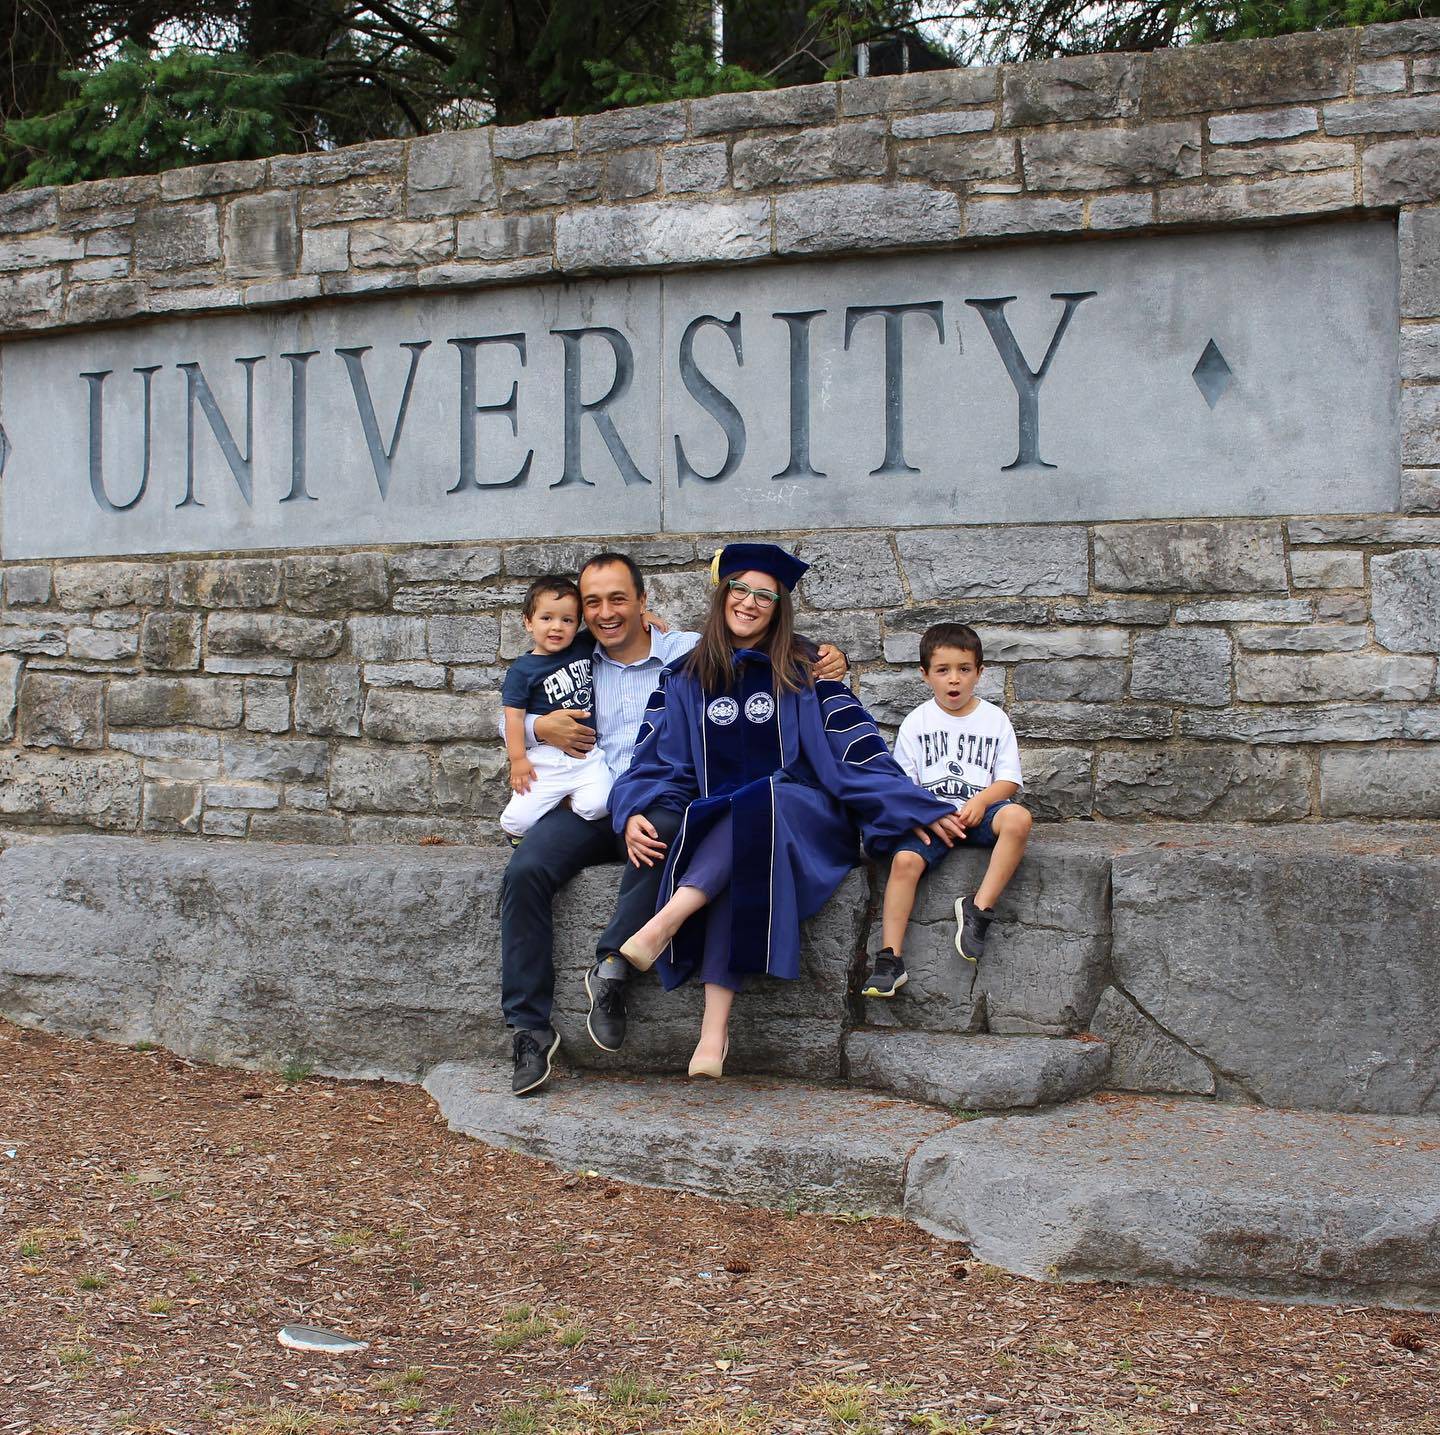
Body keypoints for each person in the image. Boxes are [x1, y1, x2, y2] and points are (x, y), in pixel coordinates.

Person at [608, 543, 964, 1078]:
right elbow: (658, 758)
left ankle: (667, 922)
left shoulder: (807, 671)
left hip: (808, 816)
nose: (750, 603)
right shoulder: (683, 679)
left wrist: (910, 802)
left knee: (760, 802)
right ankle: (713, 1036)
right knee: (745, 830)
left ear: (779, 609)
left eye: (765, 597)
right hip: (730, 819)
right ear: (722, 593)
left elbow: (854, 747)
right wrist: (635, 807)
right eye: (741, 589)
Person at [499, 550, 848, 1095]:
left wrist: (829, 657)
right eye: (592, 602)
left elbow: (754, 639)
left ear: (644, 602)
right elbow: (512, 709)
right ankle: (528, 1029)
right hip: (587, 804)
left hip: (651, 802)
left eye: (619, 599)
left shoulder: (684, 651)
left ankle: (613, 967)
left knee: (664, 830)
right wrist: (540, 729)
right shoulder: (570, 660)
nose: (605, 612)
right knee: (525, 871)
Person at [860, 622, 1032, 1000]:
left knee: (1018, 818)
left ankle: (978, 908)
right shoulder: (917, 723)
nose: (954, 680)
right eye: (942, 670)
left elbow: (1008, 781)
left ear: (980, 672)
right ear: (925, 675)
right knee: (904, 861)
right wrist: (924, 815)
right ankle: (890, 958)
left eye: (964, 669)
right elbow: (902, 785)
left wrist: (983, 801)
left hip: (980, 813)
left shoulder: (994, 720)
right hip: (932, 819)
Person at [499, 576, 609, 841]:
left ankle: (564, 803)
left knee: (601, 805)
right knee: (517, 821)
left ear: (578, 624)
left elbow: (608, 624)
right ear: (528, 621)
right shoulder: (521, 671)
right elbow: (513, 718)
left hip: (586, 756)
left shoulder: (582, 645)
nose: (557, 627)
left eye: (567, 620)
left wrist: (645, 616)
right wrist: (518, 760)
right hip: (545, 759)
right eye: (546, 618)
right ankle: (517, 834)